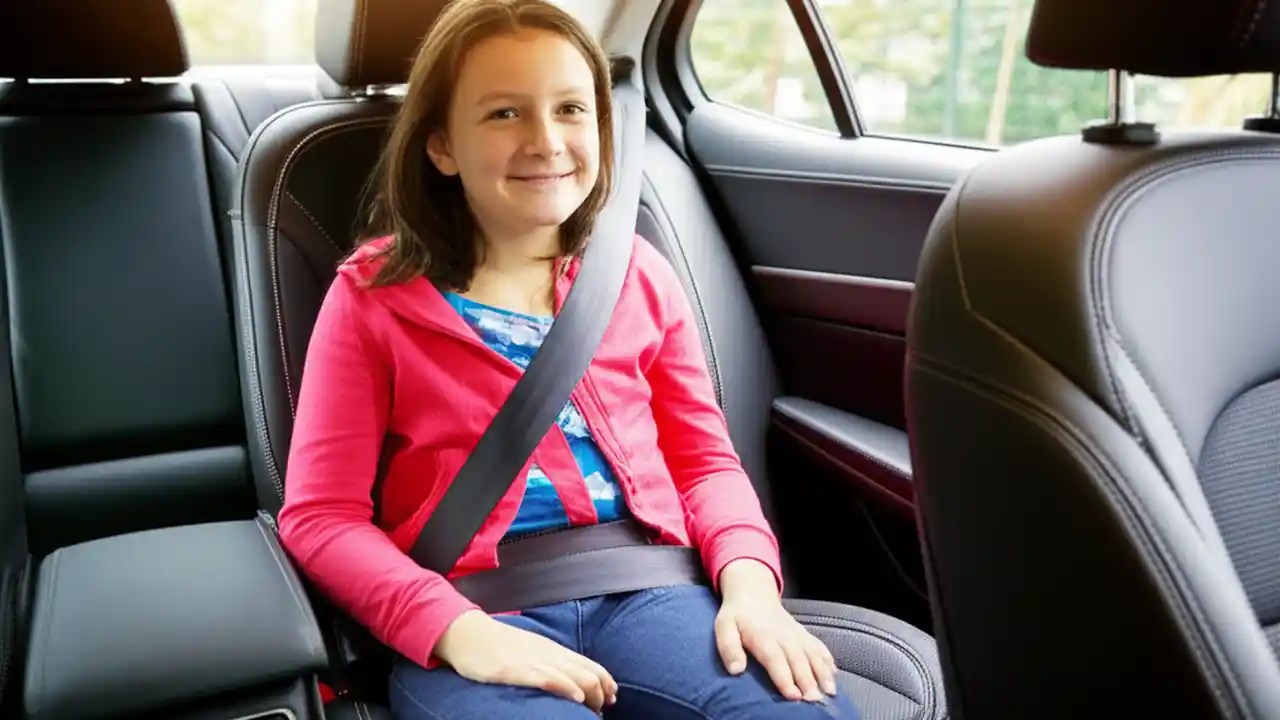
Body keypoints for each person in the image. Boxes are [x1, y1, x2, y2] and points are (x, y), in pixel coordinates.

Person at [277, 1, 860, 718]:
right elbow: (321, 517)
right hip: (475, 607)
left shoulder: (637, 276)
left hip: (653, 590)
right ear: (441, 147)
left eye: (570, 110)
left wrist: (749, 586)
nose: (546, 140)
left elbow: (705, 463)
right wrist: (455, 631)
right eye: (503, 115)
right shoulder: (373, 297)